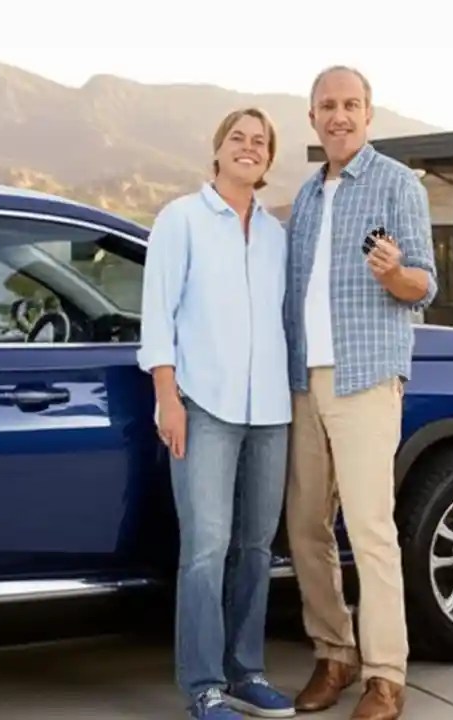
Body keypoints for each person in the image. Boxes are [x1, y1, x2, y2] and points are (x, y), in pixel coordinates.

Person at [282, 66, 438, 720]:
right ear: (312, 118)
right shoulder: (308, 196)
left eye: (350, 105)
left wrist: (396, 272)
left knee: (370, 529)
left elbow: (424, 285)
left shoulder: (398, 183)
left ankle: (385, 675)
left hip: (366, 377)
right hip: (304, 381)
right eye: (327, 106)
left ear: (368, 114)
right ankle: (334, 654)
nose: (338, 115)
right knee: (306, 526)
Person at [137, 107, 297, 720]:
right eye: (239, 138)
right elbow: (159, 316)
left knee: (256, 547)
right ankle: (203, 685)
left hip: (271, 411)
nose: (248, 148)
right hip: (203, 405)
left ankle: (246, 670)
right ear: (218, 149)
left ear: (267, 158)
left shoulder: (278, 236)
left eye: (260, 142)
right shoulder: (181, 220)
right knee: (205, 547)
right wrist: (167, 397)